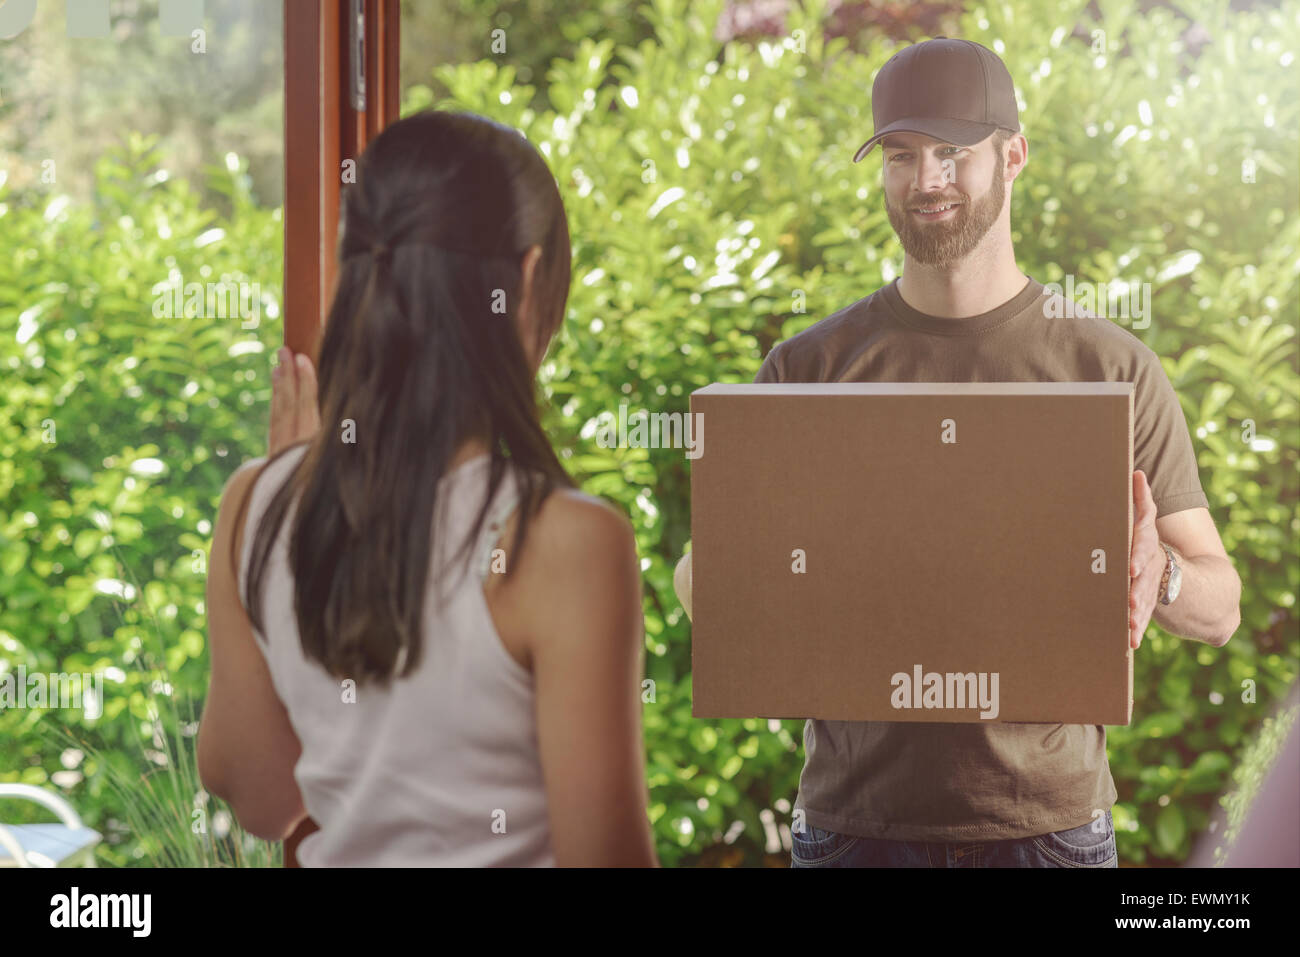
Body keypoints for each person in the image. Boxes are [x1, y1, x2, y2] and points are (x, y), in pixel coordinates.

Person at [673, 37, 1242, 868]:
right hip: (851, 830)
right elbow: (704, 588)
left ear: (1012, 157)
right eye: (902, 156)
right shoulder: (808, 369)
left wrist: (1157, 572)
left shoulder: (1111, 367)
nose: (926, 179)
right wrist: (744, 571)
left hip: (1048, 832)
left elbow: (1221, 606)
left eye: (951, 152)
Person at [198, 110, 658, 867]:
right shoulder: (566, 539)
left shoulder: (256, 504)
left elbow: (262, 798)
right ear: (532, 276)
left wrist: (297, 497)